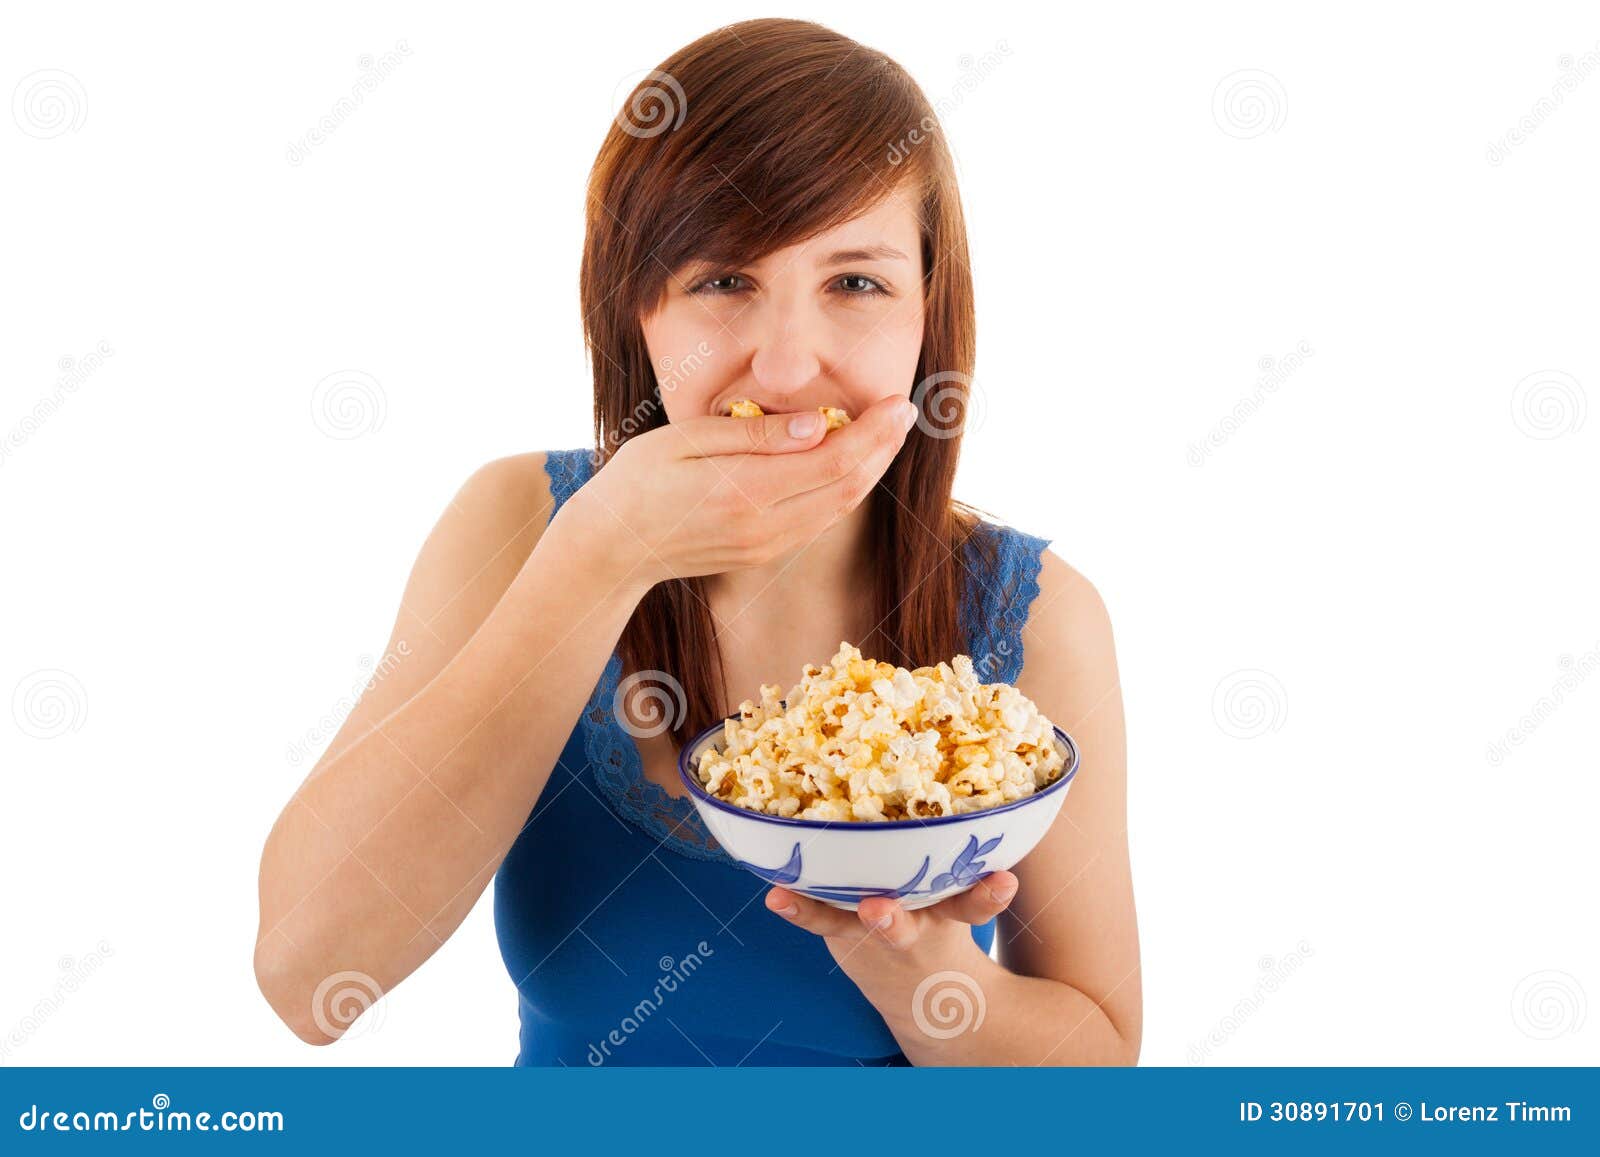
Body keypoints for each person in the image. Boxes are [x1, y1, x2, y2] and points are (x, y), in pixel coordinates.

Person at [253, 17, 1140, 1066]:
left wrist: (928, 978)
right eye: (723, 281)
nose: (784, 368)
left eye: (855, 283)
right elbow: (308, 980)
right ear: (639, 311)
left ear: (927, 310)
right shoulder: (517, 522)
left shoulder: (1036, 613)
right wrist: (599, 560)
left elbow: (1101, 1062)